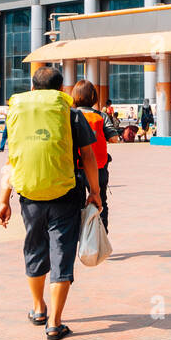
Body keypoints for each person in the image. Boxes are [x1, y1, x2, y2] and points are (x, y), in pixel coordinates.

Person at [0, 65, 101, 340]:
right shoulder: (71, 114)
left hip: (28, 193)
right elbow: (89, 157)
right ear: (61, 90)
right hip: (66, 192)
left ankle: (38, 308)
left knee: (35, 247)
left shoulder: (17, 114)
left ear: (32, 88)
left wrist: (3, 199)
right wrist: (96, 192)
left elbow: (13, 159)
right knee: (62, 252)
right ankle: (54, 323)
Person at [70, 80, 115, 232]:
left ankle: (81, 237)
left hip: (76, 168)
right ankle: (101, 236)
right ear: (94, 97)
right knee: (100, 201)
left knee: (77, 203)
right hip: (99, 167)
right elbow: (113, 138)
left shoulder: (71, 116)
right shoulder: (101, 116)